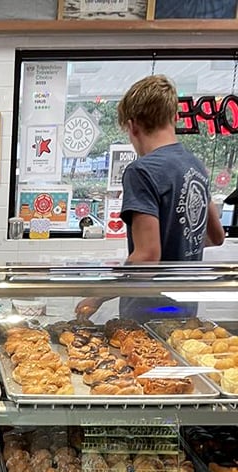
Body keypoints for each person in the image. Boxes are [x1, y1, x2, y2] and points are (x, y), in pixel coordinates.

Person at [76, 74, 224, 322]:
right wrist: (176, 243)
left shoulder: (142, 171)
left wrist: (96, 296)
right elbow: (214, 236)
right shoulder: (195, 165)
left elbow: (147, 257)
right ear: (173, 118)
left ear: (133, 126)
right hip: (185, 310)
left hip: (146, 314)